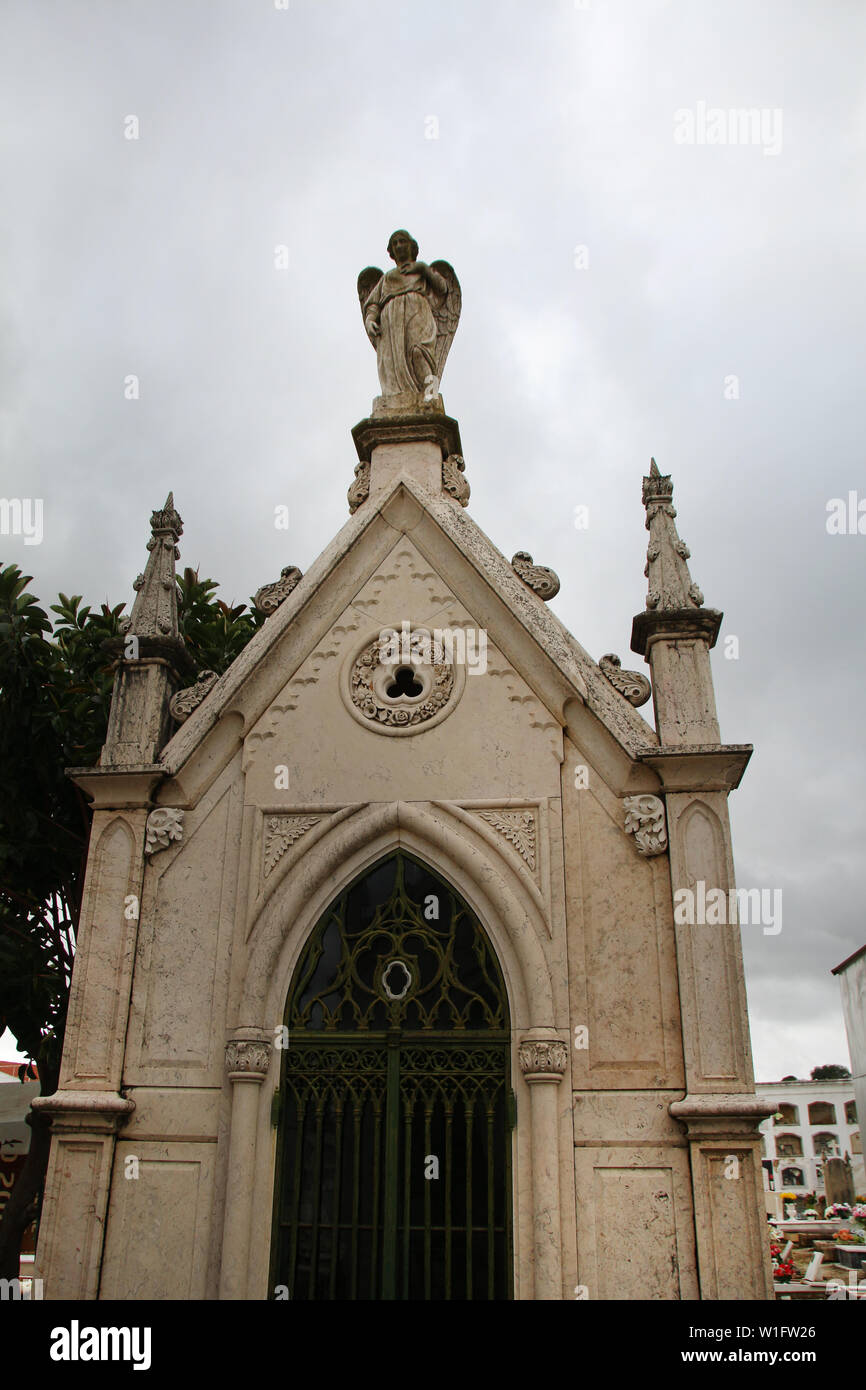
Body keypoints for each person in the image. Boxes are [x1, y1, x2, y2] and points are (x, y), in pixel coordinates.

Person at [362, 230, 449, 396]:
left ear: (411, 246)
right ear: (391, 252)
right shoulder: (387, 278)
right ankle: (394, 397)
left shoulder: (422, 271)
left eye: (402, 241)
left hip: (417, 315)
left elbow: (443, 288)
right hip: (391, 326)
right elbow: (373, 304)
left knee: (419, 353)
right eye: (394, 244)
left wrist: (424, 269)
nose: (399, 246)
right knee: (391, 362)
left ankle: (431, 396)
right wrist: (370, 320)